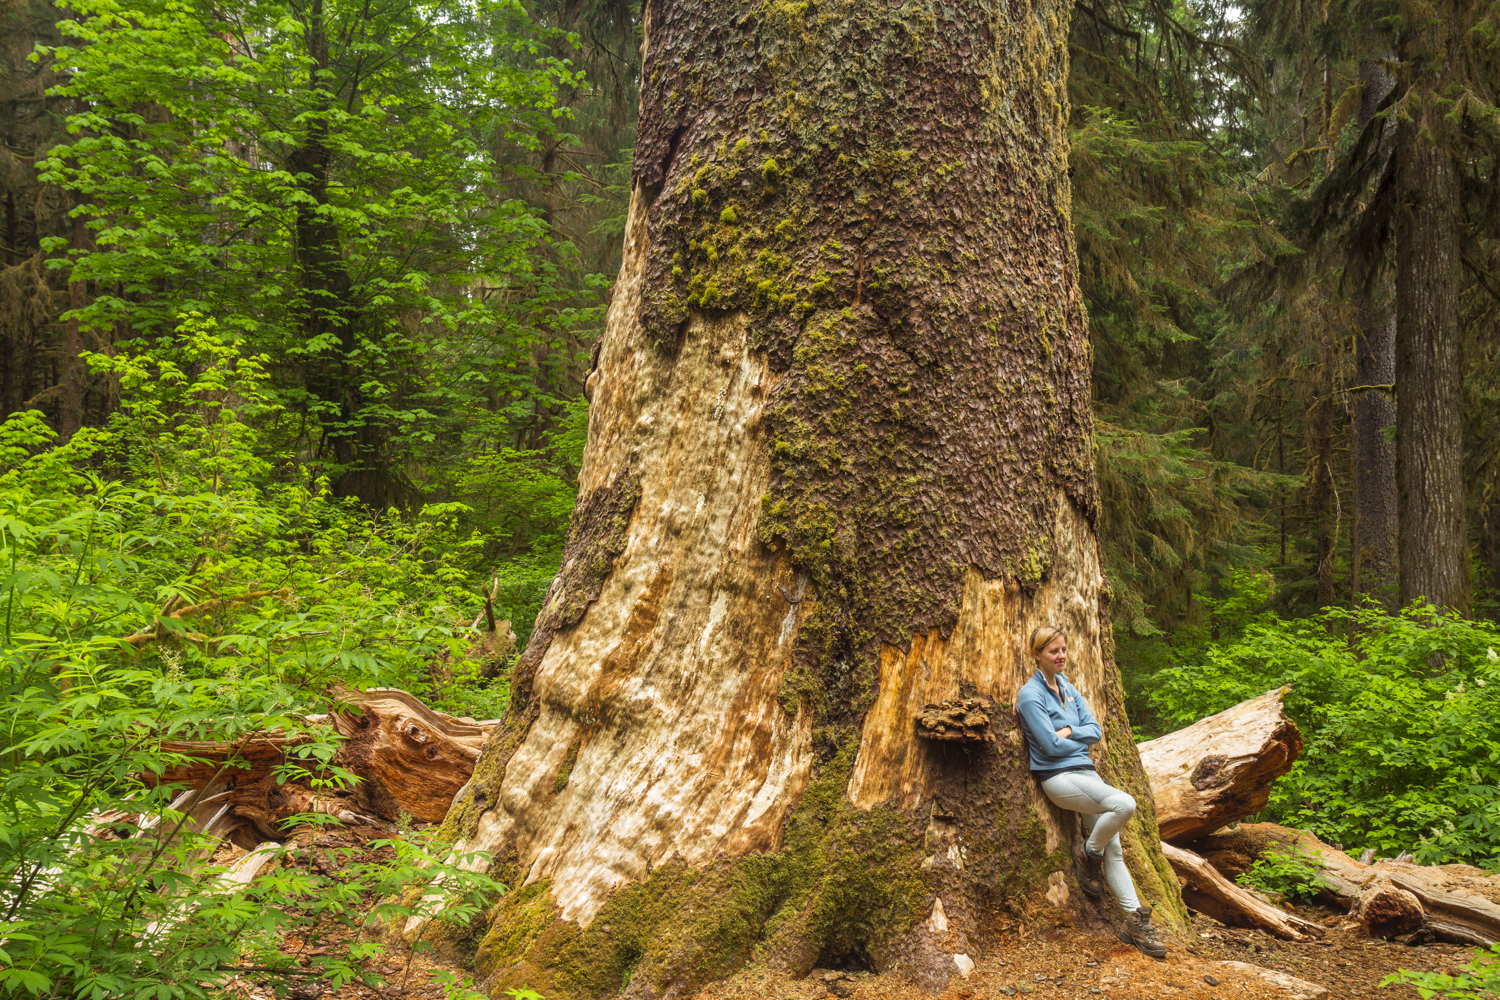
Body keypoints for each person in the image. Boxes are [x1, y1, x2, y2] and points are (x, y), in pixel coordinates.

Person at [1015, 624, 1168, 959]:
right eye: (1053, 651)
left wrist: (1069, 731)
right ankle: (1088, 851)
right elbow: (1050, 747)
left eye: (1063, 649)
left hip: (1086, 773)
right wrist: (1074, 737)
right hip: (1058, 778)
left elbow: (1096, 731)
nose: (1061, 656)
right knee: (1124, 804)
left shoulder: (1068, 688)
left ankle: (1134, 922)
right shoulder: (1030, 695)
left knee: (1115, 850)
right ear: (1037, 654)